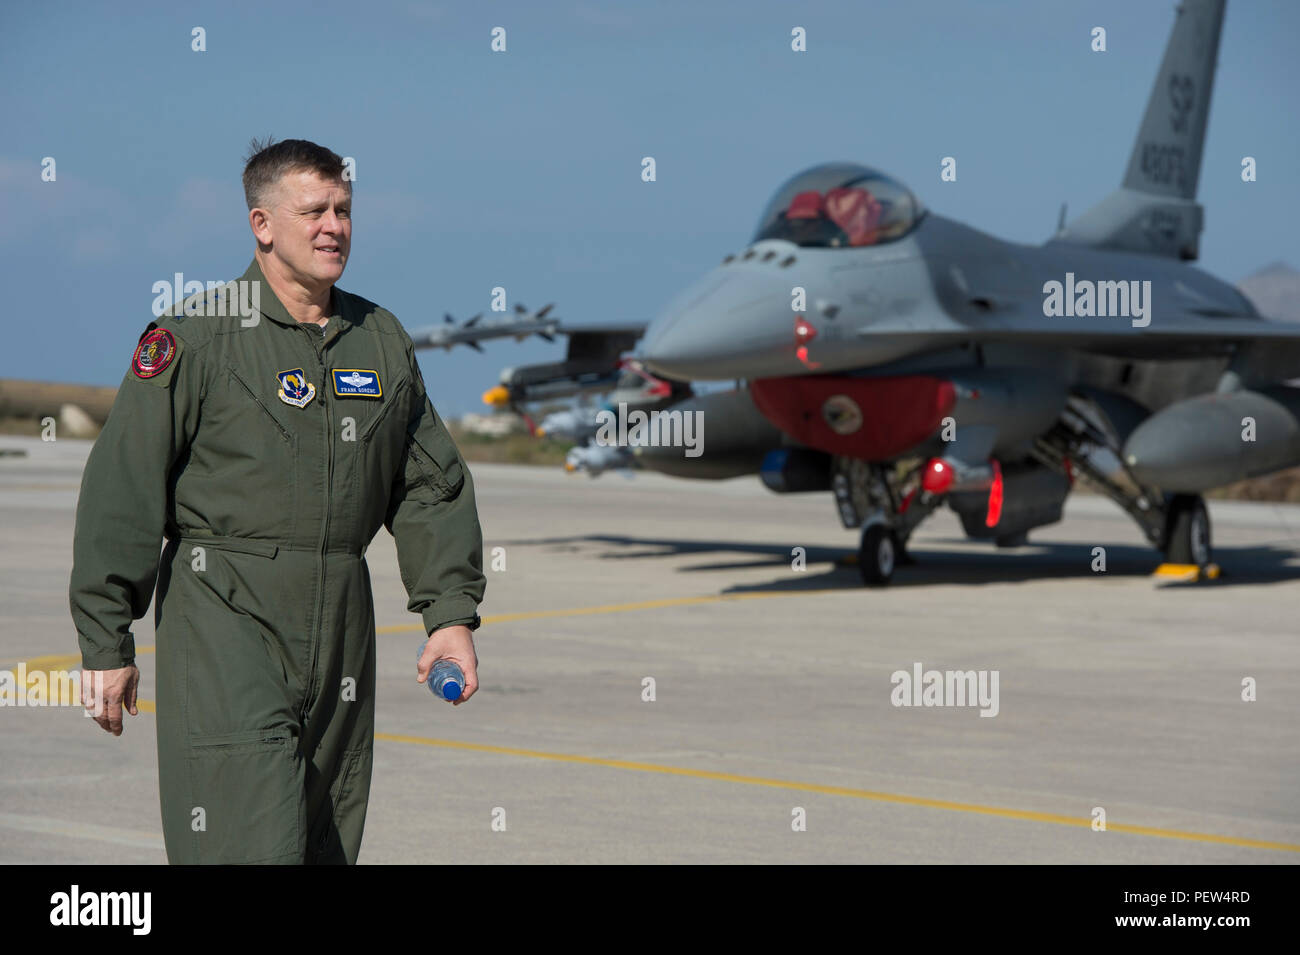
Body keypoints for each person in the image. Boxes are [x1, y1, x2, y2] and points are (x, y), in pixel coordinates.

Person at [68, 138, 486, 864]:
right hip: (226, 612)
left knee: (327, 840)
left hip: (341, 622)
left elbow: (428, 484)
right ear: (263, 225)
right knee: (246, 835)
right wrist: (107, 637)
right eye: (315, 210)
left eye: (345, 210)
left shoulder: (380, 341)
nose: (335, 226)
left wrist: (448, 614)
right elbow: (122, 488)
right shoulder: (194, 337)